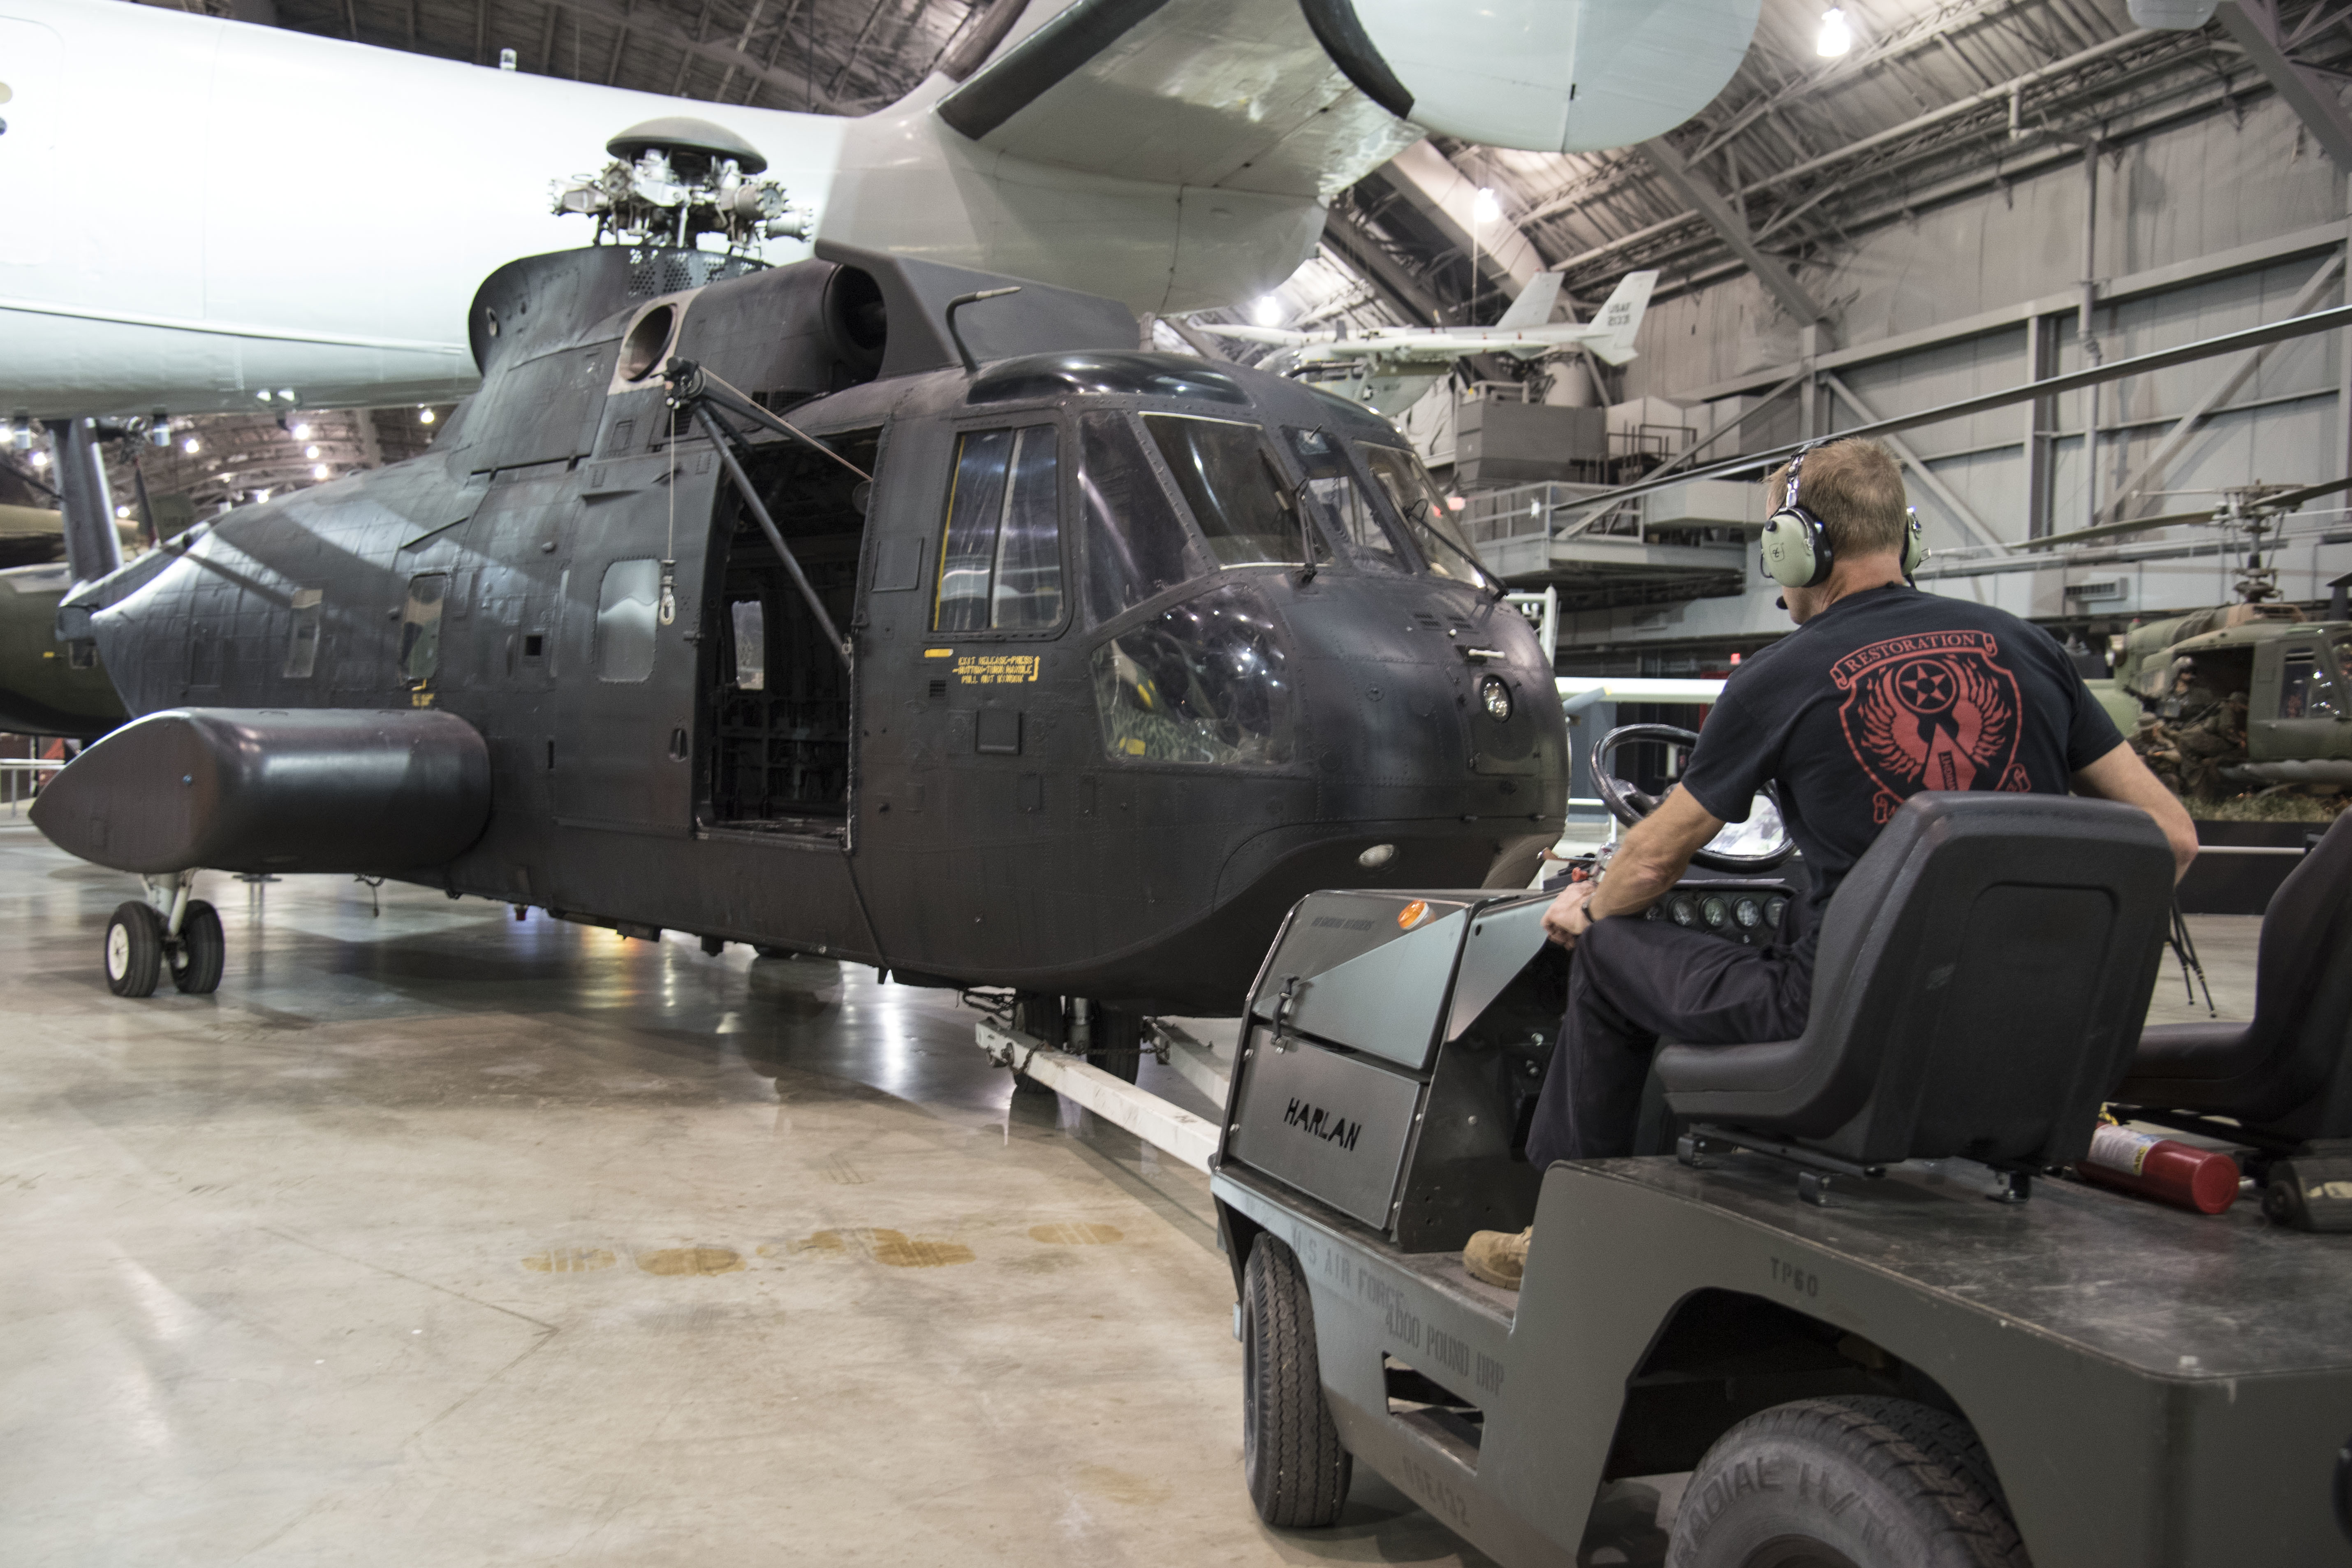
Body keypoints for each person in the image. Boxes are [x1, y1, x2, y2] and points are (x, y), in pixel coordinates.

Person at [1462, 438, 2198, 1290]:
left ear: (1794, 546)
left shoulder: (1781, 676)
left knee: (1609, 947)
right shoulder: (2030, 653)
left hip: (1838, 1023)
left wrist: (1588, 904)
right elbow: (2170, 838)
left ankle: (1562, 1238)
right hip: (2021, 1028)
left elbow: (1656, 859)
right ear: (1906, 540)